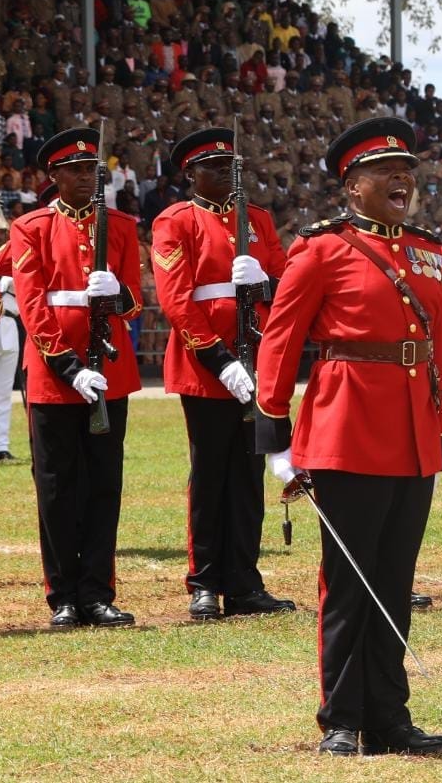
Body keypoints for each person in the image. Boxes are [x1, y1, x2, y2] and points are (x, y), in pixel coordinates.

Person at [254, 116, 442, 758]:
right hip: (348, 428)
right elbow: (281, 340)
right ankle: (342, 717)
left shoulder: (428, 251)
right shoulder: (321, 250)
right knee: (349, 582)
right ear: (352, 186)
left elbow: (436, 340)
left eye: (408, 171)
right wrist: (275, 433)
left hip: (414, 434)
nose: (403, 179)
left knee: (394, 580)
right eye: (385, 171)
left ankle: (390, 717)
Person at [151, 128, 294, 620]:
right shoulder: (176, 221)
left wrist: (267, 282)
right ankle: (205, 582)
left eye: (231, 166)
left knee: (247, 476)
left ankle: (244, 581)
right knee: (211, 473)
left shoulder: (257, 219)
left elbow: (287, 283)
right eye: (212, 167)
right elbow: (176, 301)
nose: (224, 175)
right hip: (205, 367)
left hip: (254, 361)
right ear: (190, 174)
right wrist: (219, 360)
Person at [11, 128, 144, 628]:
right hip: (53, 376)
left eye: (92, 169)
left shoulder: (123, 227)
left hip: (109, 372)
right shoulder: (32, 228)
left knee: (104, 485)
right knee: (57, 485)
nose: (86, 177)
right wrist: (68, 366)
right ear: (55, 176)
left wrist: (117, 293)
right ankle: (63, 594)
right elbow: (32, 303)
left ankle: (97, 592)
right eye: (75, 170)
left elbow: (135, 305)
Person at [0, 212, 19, 462]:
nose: (0, 237)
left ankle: (0, 445)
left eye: (3, 233)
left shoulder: (14, 262)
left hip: (9, 329)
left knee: (3, 393)